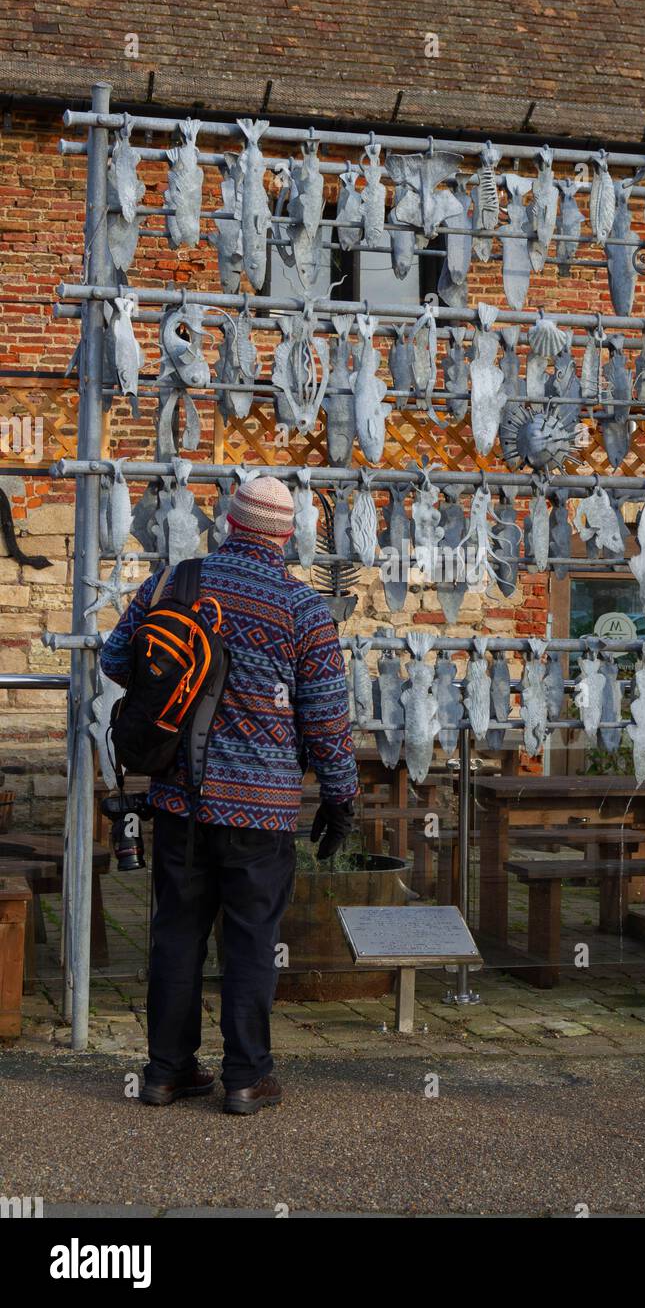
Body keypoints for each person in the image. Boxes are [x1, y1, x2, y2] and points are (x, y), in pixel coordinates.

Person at [100, 475, 359, 1115]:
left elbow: (115, 659)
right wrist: (339, 798)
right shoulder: (304, 611)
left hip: (179, 797)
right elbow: (326, 720)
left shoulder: (174, 582)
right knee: (249, 941)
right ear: (284, 536)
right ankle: (246, 1079)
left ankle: (166, 1073)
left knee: (177, 934)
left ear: (229, 523)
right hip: (262, 810)